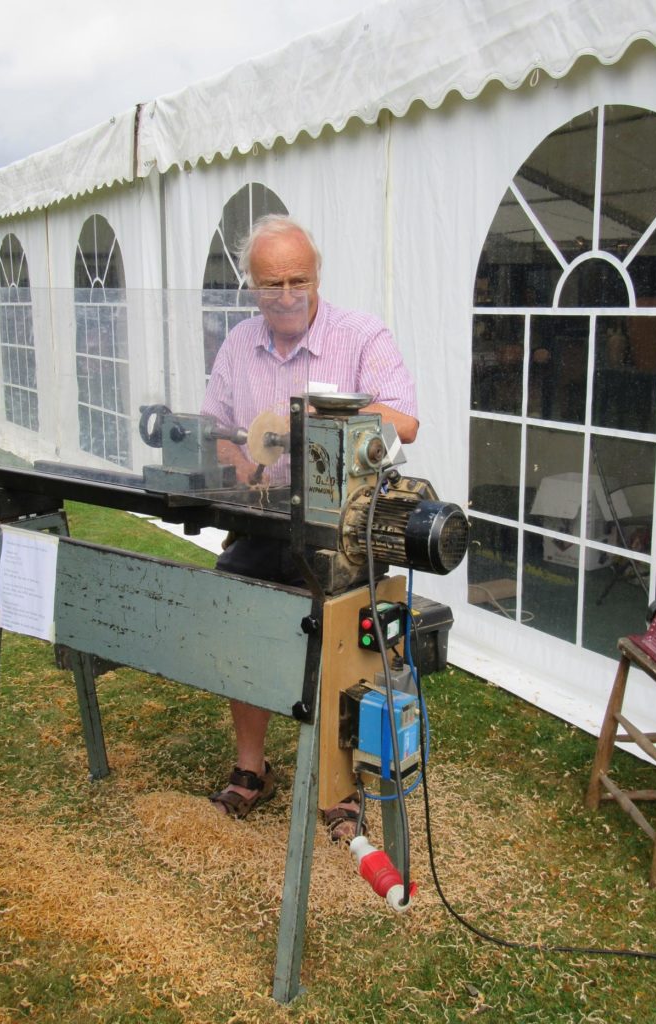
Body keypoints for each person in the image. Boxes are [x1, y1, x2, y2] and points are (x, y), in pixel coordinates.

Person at [201, 214, 419, 838]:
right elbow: (214, 425)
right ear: (252, 286)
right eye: (272, 284)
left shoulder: (361, 335)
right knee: (239, 622)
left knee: (345, 655)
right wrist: (239, 461)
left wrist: (328, 411)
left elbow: (405, 423)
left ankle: (340, 788)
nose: (288, 293)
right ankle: (251, 768)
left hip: (344, 530)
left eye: (299, 278)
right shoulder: (238, 344)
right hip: (265, 522)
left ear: (317, 276)